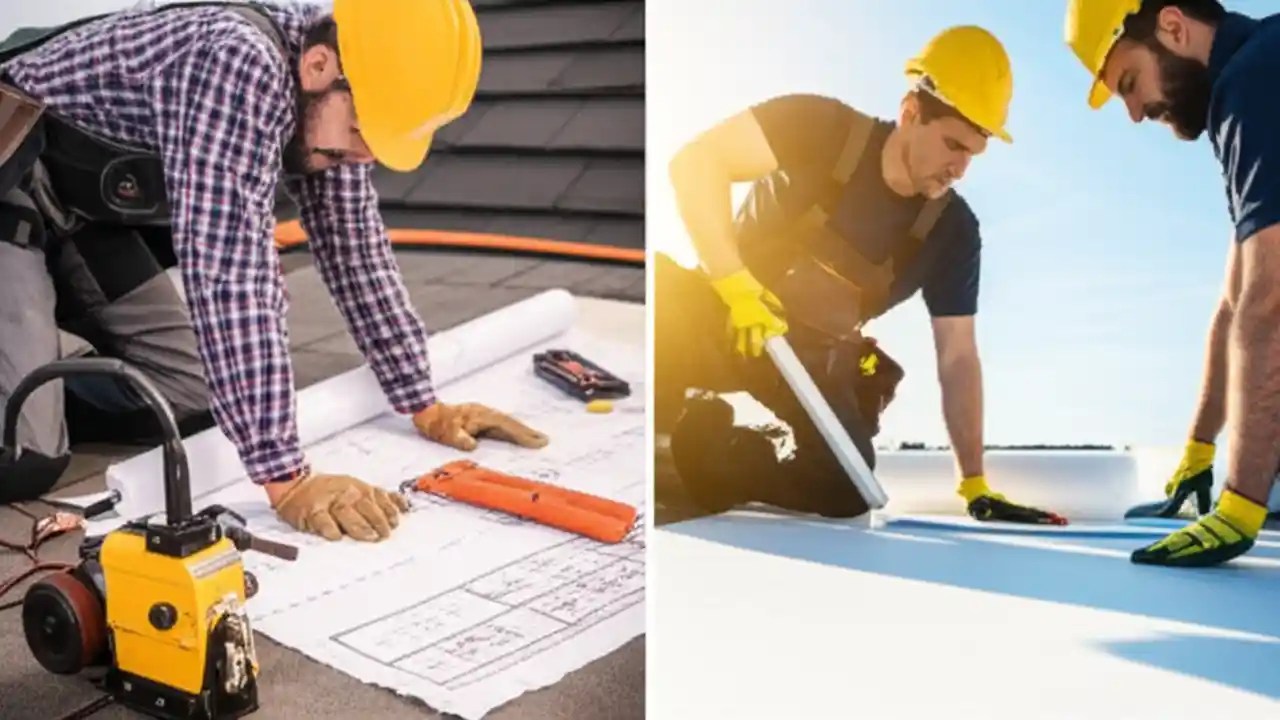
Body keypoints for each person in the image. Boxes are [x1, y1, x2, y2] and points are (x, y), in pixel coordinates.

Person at [0, 0, 549, 542]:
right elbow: (230, 274)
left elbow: (356, 250)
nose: (363, 157)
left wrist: (424, 402)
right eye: (361, 133)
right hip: (11, 184)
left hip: (77, 214)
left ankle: (31, 366)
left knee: (196, 396)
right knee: (24, 455)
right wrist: (286, 479)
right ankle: (23, 386)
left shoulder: (333, 88)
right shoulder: (236, 60)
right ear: (317, 67)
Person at [654, 25, 1066, 525]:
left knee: (845, 485)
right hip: (722, 314)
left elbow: (958, 357)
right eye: (952, 144)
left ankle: (716, 451)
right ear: (910, 113)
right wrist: (734, 283)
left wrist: (974, 483)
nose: (959, 168)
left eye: (971, 155)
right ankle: (659, 438)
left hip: (805, 364)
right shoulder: (820, 126)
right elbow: (695, 163)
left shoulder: (952, 233)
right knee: (659, 296)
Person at [1065, 0, 1280, 566]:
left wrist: (1240, 507)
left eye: (1130, 82)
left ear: (1173, 26)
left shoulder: (1254, 81)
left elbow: (1270, 301)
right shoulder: (1256, 66)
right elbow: (1236, 300)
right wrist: (1198, 453)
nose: (1135, 113)